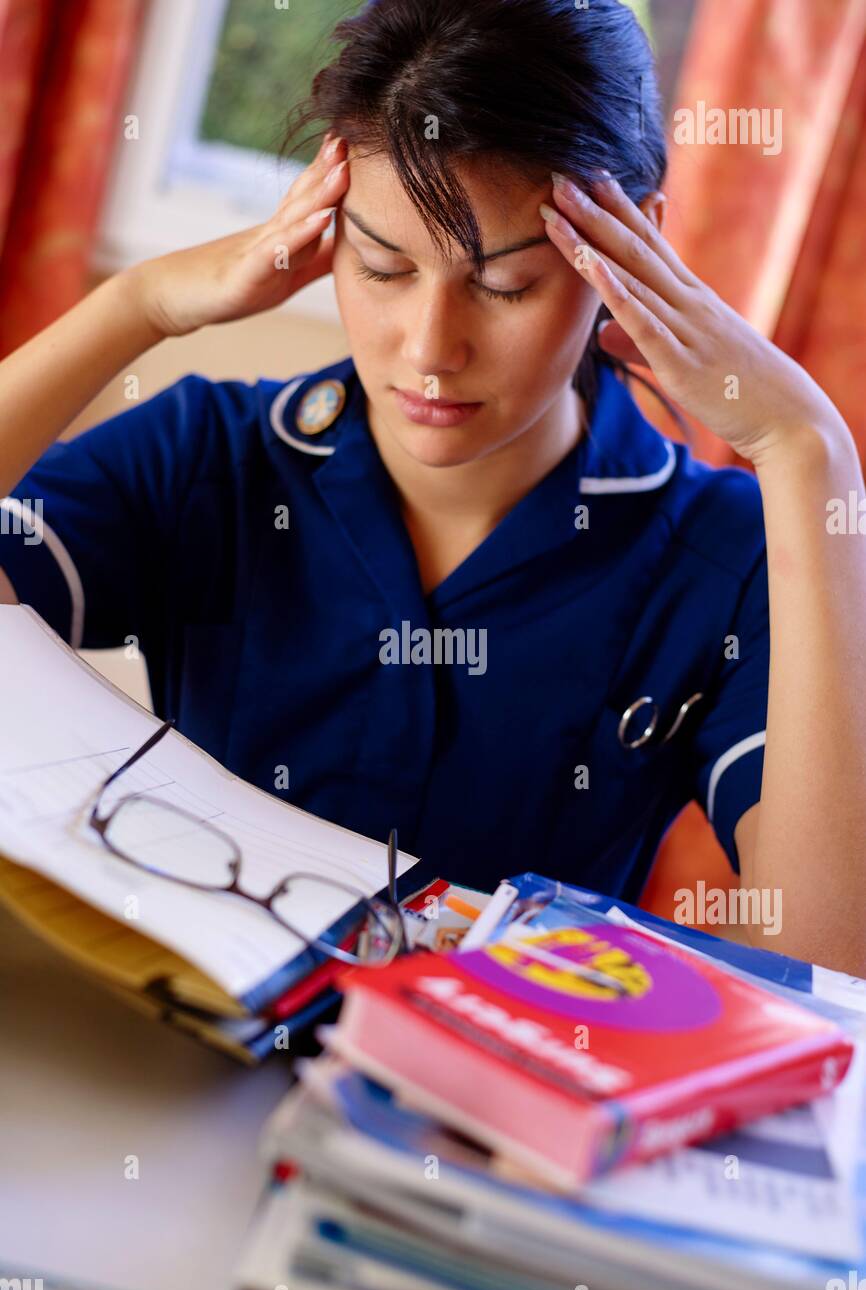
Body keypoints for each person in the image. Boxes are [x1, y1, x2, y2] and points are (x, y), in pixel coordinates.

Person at [1, 0, 864, 973]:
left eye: (503, 288)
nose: (428, 350)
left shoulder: (725, 554)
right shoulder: (211, 452)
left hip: (497, 1107)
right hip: (170, 1074)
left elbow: (825, 959)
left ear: (635, 252)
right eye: (380, 266)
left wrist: (807, 453)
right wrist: (136, 303)